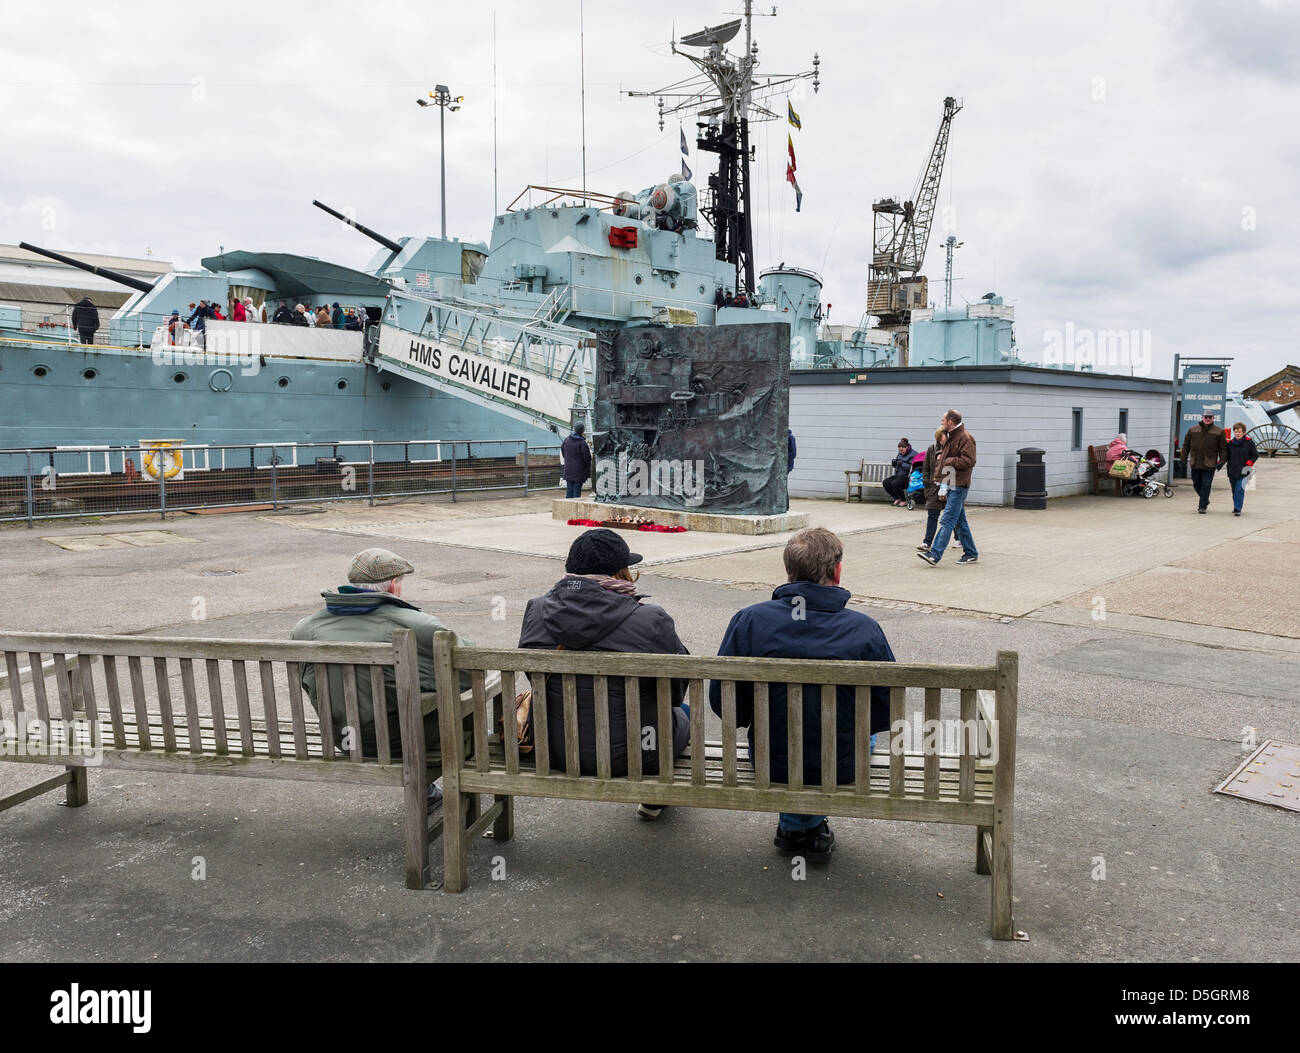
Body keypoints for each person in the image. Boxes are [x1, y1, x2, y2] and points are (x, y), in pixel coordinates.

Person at [710, 527, 895, 862]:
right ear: (836, 571)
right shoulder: (864, 628)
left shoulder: (750, 621)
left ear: (789, 571)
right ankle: (807, 828)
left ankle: (796, 827)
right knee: (849, 735)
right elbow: (885, 711)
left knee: (786, 733)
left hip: (772, 759)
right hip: (841, 764)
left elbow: (726, 704)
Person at [519, 528, 690, 820]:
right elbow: (675, 692)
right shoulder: (650, 618)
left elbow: (534, 677)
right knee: (681, 712)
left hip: (554, 750)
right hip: (636, 755)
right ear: (619, 573)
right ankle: (653, 797)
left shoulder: (536, 610)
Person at [289, 548, 474, 810]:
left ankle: (428, 791)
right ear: (393, 585)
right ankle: (451, 796)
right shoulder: (416, 626)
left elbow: (307, 680)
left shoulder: (304, 629)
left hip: (340, 739)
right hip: (399, 744)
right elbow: (468, 676)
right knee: (457, 706)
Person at [918, 409, 979, 566]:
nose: (941, 422)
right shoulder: (951, 437)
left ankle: (935, 554)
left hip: (958, 485)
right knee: (959, 522)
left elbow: (969, 461)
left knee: (947, 520)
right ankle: (971, 553)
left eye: (943, 420)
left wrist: (949, 461)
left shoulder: (965, 438)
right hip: (950, 483)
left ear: (950, 422)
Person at [1182, 411, 1228, 514]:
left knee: (1206, 485)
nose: (1208, 418)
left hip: (1210, 463)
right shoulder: (1193, 430)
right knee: (1196, 484)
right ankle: (1205, 499)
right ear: (1202, 417)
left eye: (1210, 417)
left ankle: (1202, 506)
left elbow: (1223, 448)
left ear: (1213, 418)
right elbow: (1186, 445)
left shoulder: (1219, 431)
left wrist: (1222, 461)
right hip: (1195, 462)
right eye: (1206, 417)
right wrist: (1183, 459)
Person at [917, 426, 947, 552]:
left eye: (943, 437)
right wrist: (926, 484)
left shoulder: (952, 450)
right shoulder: (932, 449)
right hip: (933, 487)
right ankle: (927, 542)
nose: (941, 440)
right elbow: (926, 468)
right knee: (932, 514)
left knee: (953, 516)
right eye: (939, 438)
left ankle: (959, 539)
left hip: (949, 486)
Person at [1225, 422, 1259, 517]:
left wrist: (1249, 463)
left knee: (1240, 489)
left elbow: (1255, 455)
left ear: (1243, 432)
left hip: (1245, 469)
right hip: (1232, 469)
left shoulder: (1249, 443)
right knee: (1234, 490)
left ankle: (1238, 509)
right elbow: (1226, 456)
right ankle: (1236, 506)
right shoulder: (1230, 444)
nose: (1237, 433)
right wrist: (1219, 463)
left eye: (1239, 432)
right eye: (1235, 431)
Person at [560, 421, 592, 499]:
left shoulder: (567, 440)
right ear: (582, 430)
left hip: (568, 470)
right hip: (579, 472)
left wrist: (568, 460)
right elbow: (587, 458)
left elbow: (563, 451)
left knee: (569, 491)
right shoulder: (582, 443)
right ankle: (574, 510)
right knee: (576, 494)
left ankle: (567, 509)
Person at [882, 437, 916, 506]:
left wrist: (902, 464)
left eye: (902, 451)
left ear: (906, 448)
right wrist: (894, 463)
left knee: (894, 483)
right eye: (899, 451)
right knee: (886, 482)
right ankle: (897, 498)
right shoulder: (900, 454)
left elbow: (912, 467)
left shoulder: (913, 454)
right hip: (899, 476)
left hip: (907, 477)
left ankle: (904, 500)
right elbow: (898, 464)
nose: (901, 452)